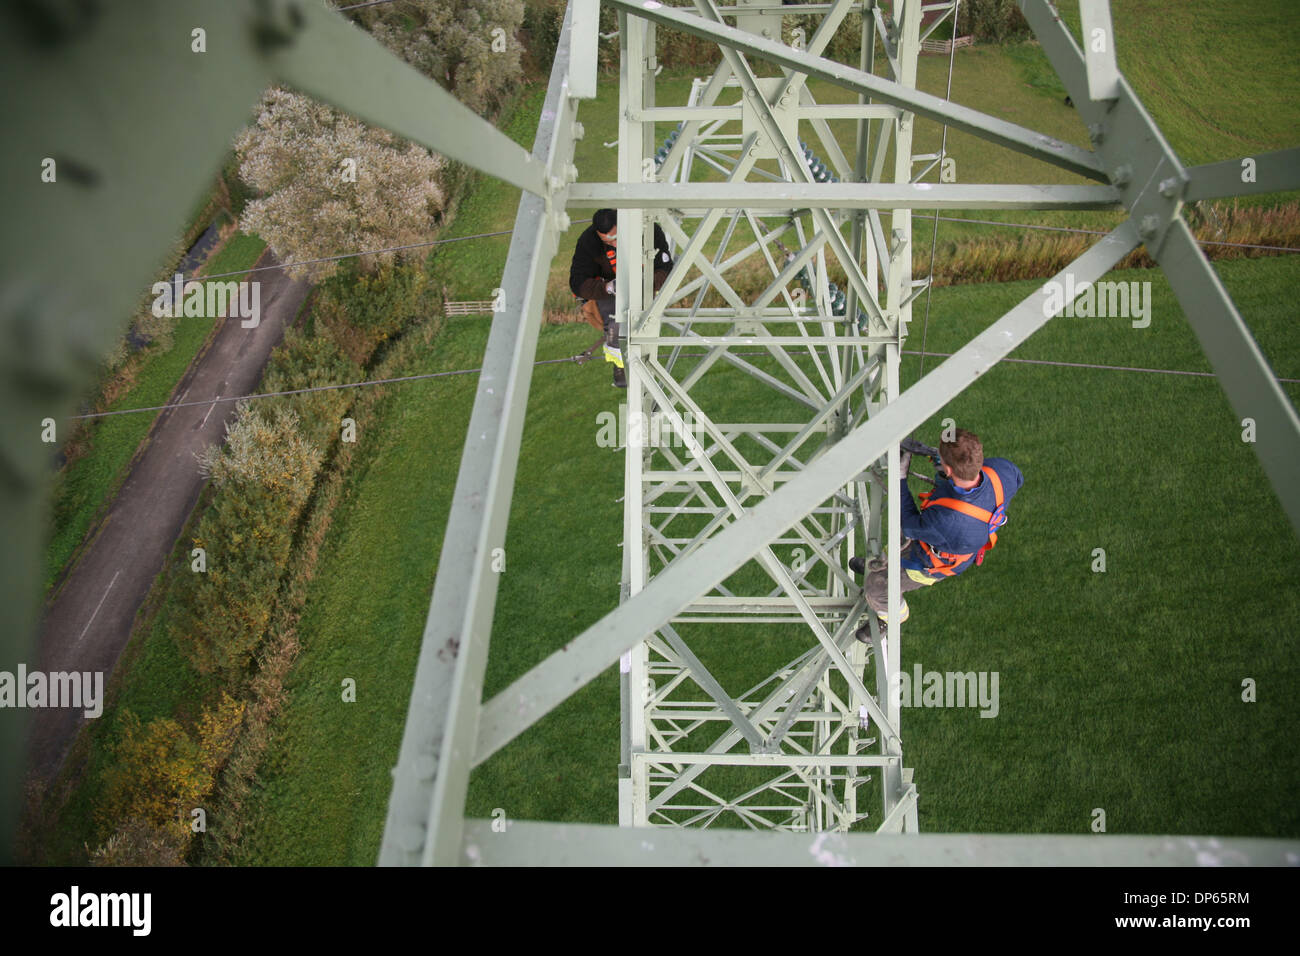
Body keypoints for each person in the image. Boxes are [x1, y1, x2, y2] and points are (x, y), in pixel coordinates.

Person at [850, 428, 1023, 639]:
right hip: (956, 533)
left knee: (876, 589)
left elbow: (910, 524)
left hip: (932, 561)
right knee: (897, 549)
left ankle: (891, 616)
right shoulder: (1002, 470)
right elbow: (1015, 480)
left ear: (950, 470)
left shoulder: (946, 520)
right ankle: (880, 566)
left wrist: (901, 480)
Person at [568, 208, 674, 388]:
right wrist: (608, 287)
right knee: (617, 323)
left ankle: (639, 358)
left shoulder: (648, 230)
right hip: (606, 294)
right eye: (608, 240)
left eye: (616, 238)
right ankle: (621, 364)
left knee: (637, 321)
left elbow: (665, 269)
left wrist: (641, 283)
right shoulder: (589, 242)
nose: (614, 244)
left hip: (644, 286)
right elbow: (577, 282)